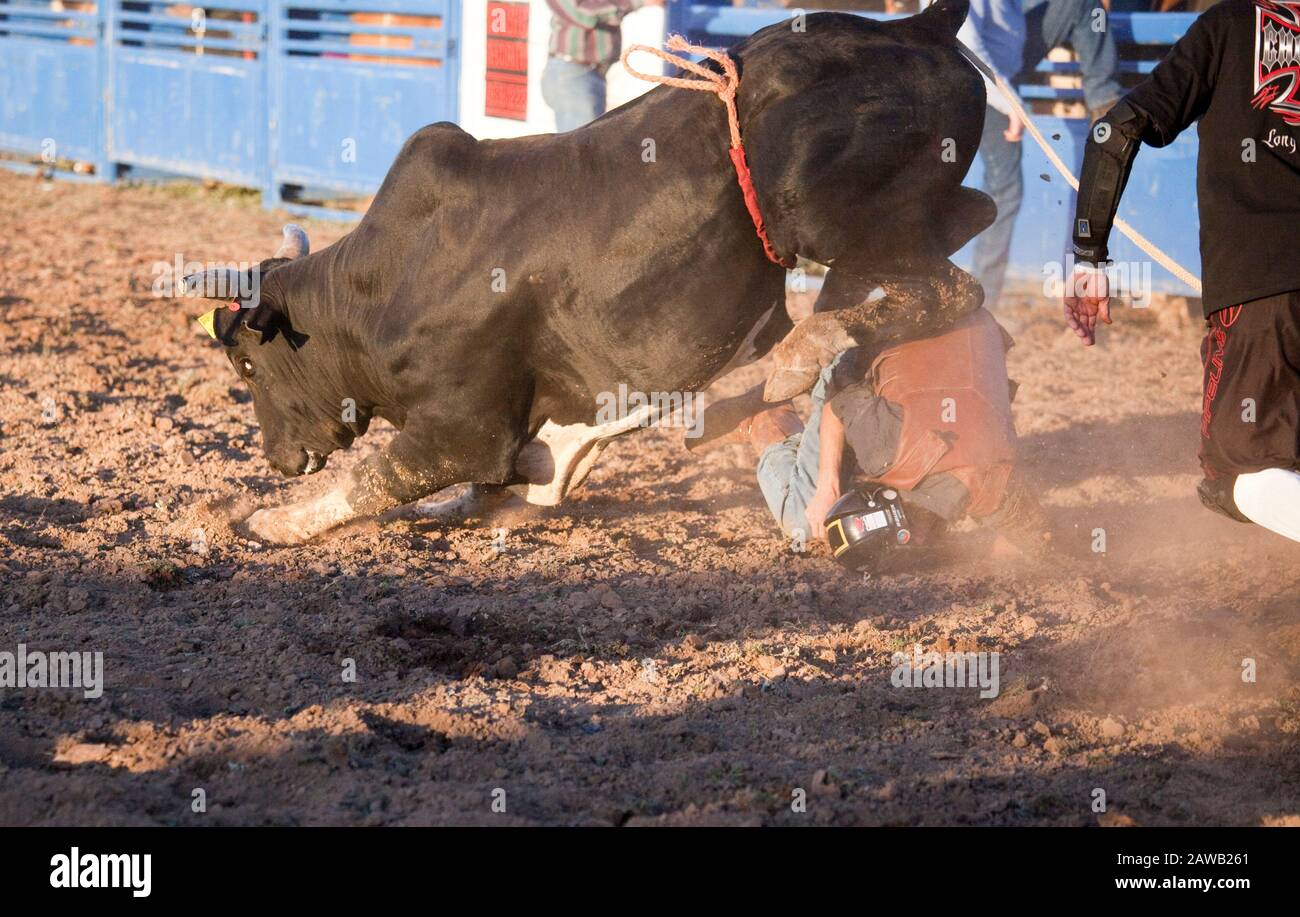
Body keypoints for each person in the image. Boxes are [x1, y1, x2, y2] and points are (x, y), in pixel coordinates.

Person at [1063, 0, 1300, 544]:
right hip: (1266, 293)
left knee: (1239, 480)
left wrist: (1090, 257)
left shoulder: (1232, 24)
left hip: (1261, 293)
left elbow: (1116, 128)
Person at [741, 308, 1043, 563]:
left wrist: (963, 552)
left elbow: (1037, 540)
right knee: (803, 520)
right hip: (867, 345)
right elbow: (838, 399)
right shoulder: (886, 451)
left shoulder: (990, 488)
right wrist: (827, 489)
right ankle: (765, 419)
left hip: (961, 315)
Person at [962, 0, 1122, 310]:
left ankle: (1104, 102)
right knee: (1004, 191)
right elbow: (965, 47)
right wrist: (1011, 103)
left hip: (1006, 56)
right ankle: (981, 304)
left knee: (1081, 3)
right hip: (975, 79)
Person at [542, 0, 662, 132]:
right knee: (582, 147)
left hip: (584, 73)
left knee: (586, 143)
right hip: (573, 74)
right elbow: (585, 14)